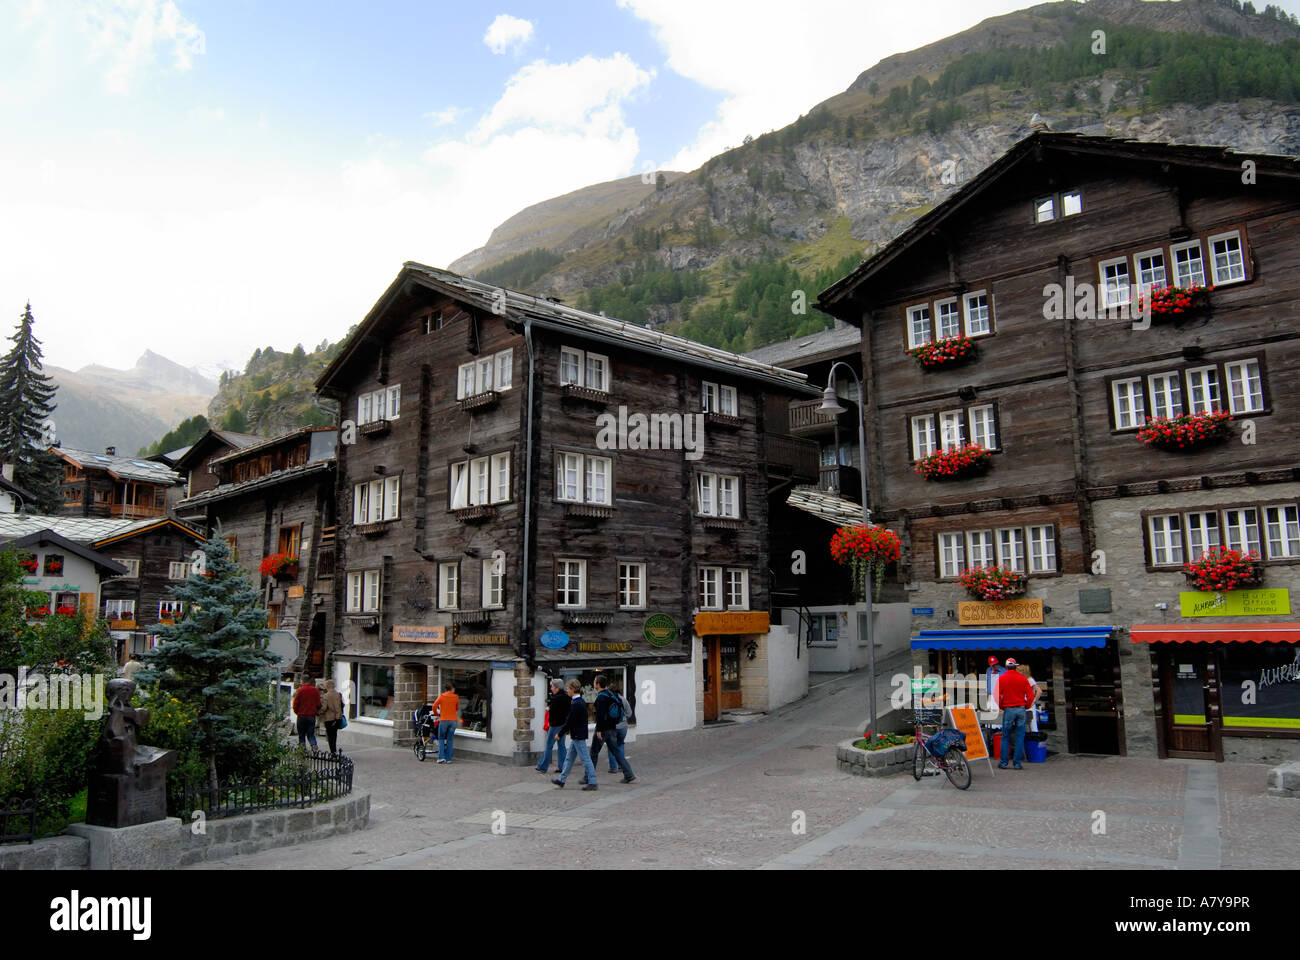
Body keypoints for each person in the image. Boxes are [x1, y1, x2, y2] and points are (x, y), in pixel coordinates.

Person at [553, 678, 597, 790]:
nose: (567, 690)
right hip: (577, 734)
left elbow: (570, 721)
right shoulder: (579, 701)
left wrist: (560, 733)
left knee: (585, 759)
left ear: (572, 689)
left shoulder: (576, 703)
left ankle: (593, 781)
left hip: (578, 735)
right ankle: (561, 779)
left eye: (568, 689)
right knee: (569, 758)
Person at [591, 674, 636, 783]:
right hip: (612, 728)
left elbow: (600, 716)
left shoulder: (601, 697)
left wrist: (599, 730)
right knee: (617, 752)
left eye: (594, 682)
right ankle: (629, 774)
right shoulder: (610, 694)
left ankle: (589, 776)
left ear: (597, 684)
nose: (593, 683)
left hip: (603, 729)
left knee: (593, 752)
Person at [996, 658, 1033, 770]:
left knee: (1005, 736)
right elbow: (1030, 696)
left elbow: (997, 696)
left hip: (1008, 709)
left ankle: (1004, 762)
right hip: (1021, 708)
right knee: (1020, 736)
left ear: (1006, 667)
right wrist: (1026, 705)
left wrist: (1002, 706)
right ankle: (1017, 763)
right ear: (1016, 666)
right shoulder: (1023, 679)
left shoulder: (1001, 679)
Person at [535, 678, 570, 774]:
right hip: (563, 724)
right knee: (561, 745)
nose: (551, 688)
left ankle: (542, 766)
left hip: (555, 725)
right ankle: (563, 766)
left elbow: (553, 712)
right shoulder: (567, 697)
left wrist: (548, 709)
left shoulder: (555, 698)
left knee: (549, 745)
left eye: (552, 686)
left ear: (557, 688)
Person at [431, 681, 460, 763]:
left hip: (443, 720)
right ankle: (448, 758)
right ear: (452, 689)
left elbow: (434, 706)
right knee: (450, 739)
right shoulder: (456, 697)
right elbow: (457, 708)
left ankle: (441, 757)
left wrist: (437, 714)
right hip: (453, 721)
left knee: (441, 738)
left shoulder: (442, 696)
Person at [292, 676, 321, 752]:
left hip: (301, 716)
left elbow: (295, 704)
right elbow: (318, 704)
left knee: (301, 735)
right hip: (311, 716)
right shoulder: (315, 690)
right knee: (311, 734)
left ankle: (302, 749)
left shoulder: (300, 691)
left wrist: (297, 712)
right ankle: (314, 745)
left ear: (302, 681)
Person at [319, 678, 345, 755]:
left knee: (330, 736)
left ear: (327, 686)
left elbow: (324, 708)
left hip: (328, 718)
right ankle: (334, 751)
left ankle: (332, 751)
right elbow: (341, 706)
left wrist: (319, 712)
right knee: (334, 734)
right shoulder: (338, 694)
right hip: (337, 718)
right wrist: (338, 717)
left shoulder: (325, 696)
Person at [1017, 663, 1042, 734]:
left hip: (1029, 705)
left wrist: (1033, 701)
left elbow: (1039, 691)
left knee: (1032, 724)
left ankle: (1034, 740)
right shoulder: (1022, 680)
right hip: (1022, 705)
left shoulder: (1030, 680)